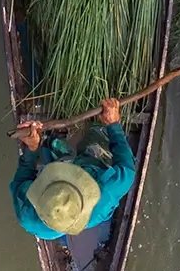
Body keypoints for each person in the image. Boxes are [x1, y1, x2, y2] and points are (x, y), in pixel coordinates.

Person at [10, 97, 136, 239]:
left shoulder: (27, 216)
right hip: (95, 167)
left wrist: (32, 147)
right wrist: (113, 124)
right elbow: (127, 169)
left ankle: (53, 141)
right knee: (97, 132)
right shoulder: (104, 193)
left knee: (50, 146)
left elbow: (22, 178)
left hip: (71, 164)